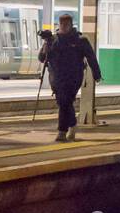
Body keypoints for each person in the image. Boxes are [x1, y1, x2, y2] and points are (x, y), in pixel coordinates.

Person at [38, 14, 102, 142]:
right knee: (65, 103)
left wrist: (97, 74)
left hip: (74, 77)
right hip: (57, 78)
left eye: (66, 24)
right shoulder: (53, 40)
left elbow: (91, 57)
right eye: (62, 24)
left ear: (71, 25)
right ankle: (72, 125)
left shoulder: (80, 40)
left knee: (64, 102)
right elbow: (41, 58)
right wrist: (46, 43)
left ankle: (62, 131)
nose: (64, 27)